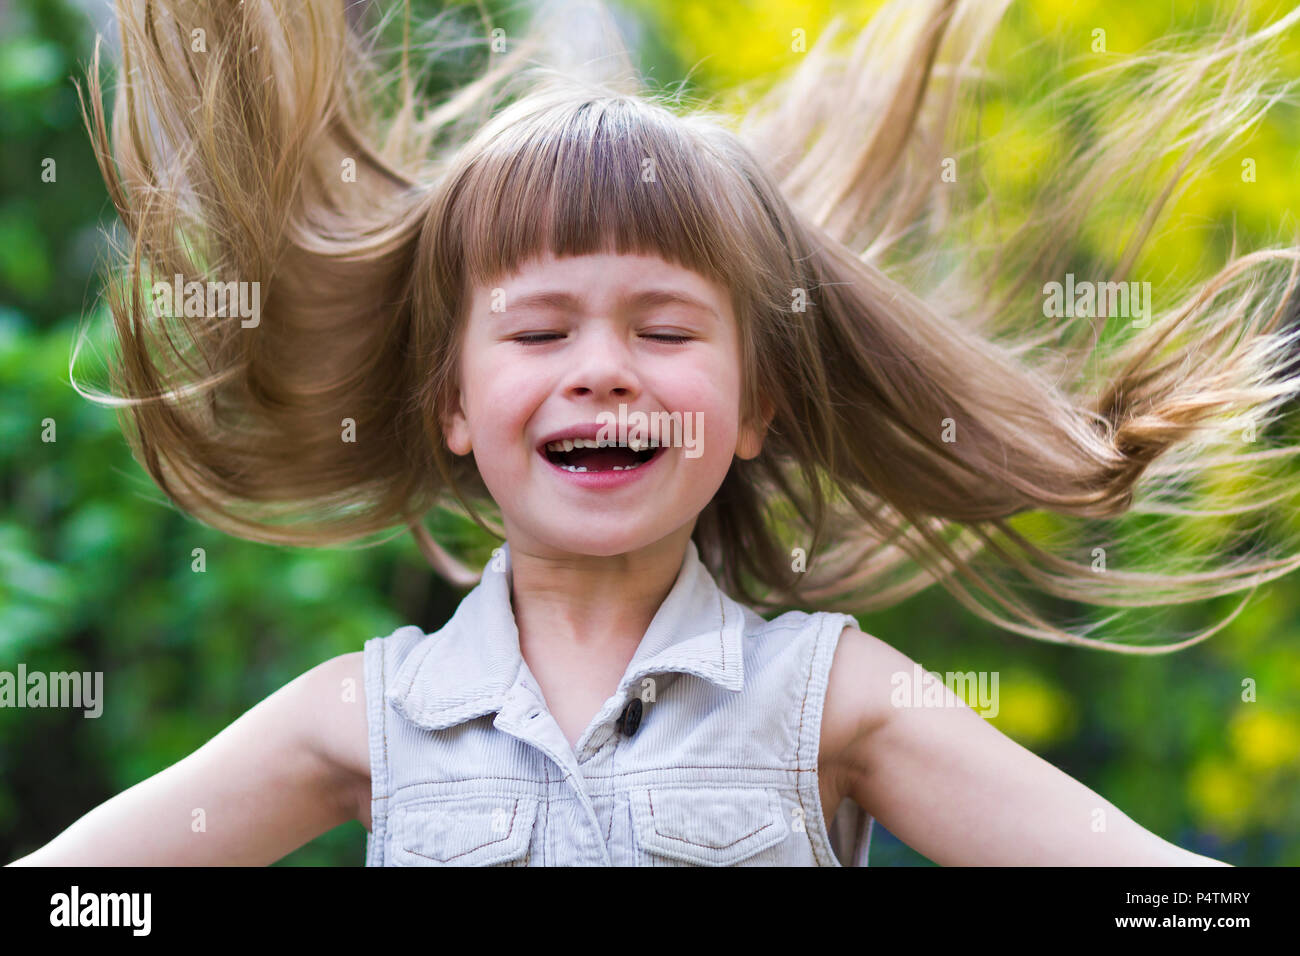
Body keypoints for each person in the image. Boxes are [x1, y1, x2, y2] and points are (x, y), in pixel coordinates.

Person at [13, 0, 1300, 865]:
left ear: (756, 406)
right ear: (449, 403)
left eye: (666, 330)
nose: (603, 373)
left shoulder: (831, 697)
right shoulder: (364, 717)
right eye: (538, 332)